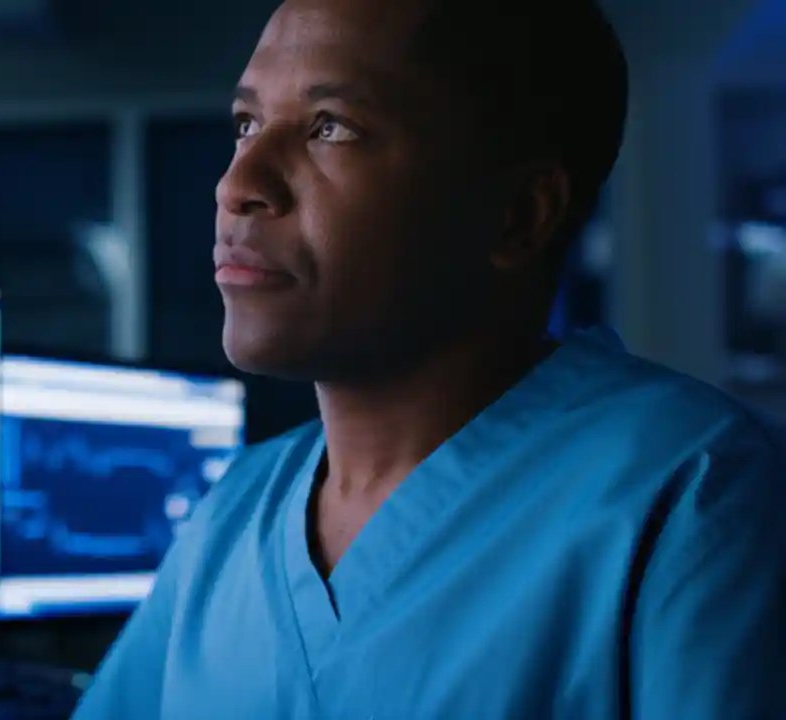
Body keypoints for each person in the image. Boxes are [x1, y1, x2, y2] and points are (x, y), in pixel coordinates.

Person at [71, 0, 786, 718]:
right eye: (246, 124)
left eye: (330, 128)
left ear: (519, 214)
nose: (238, 185)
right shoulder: (234, 511)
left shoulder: (696, 493)